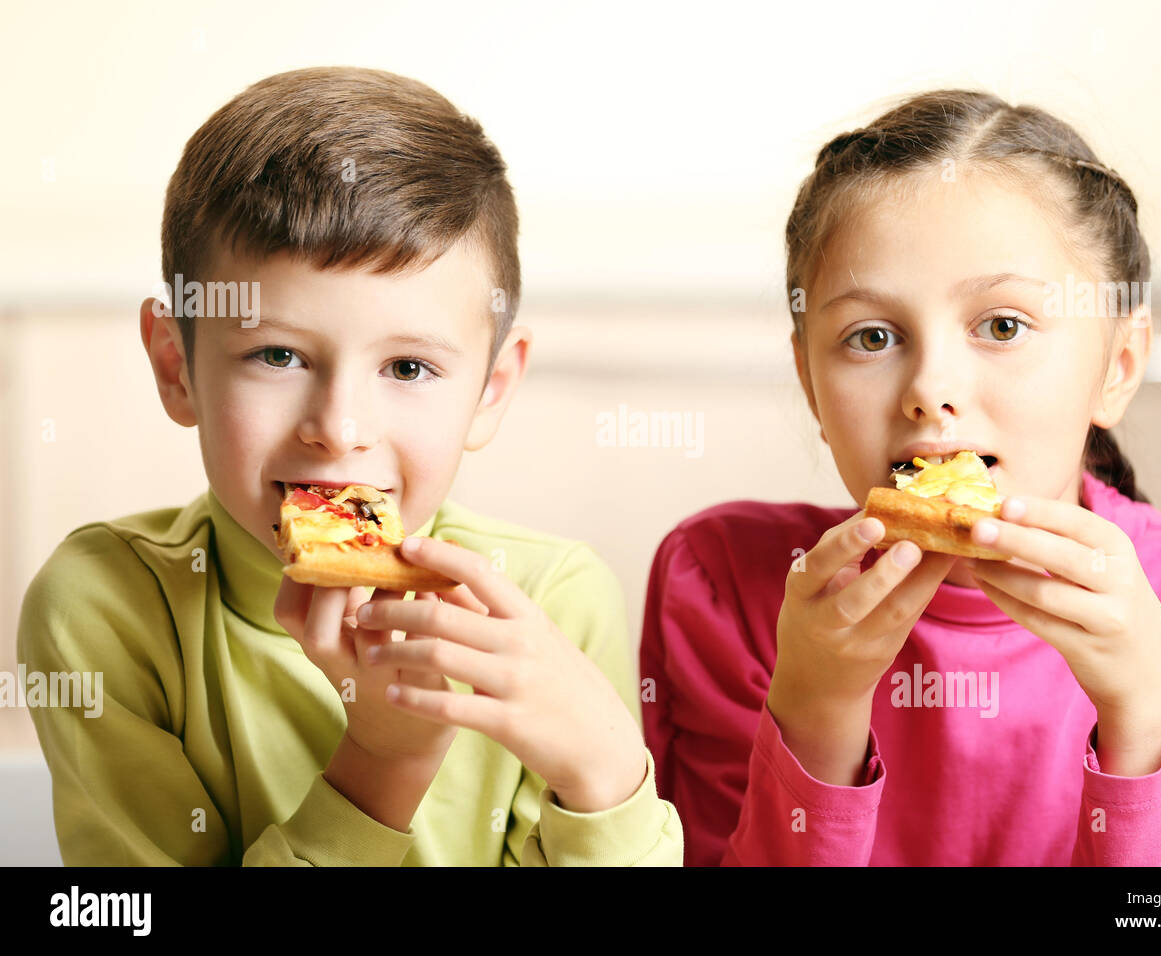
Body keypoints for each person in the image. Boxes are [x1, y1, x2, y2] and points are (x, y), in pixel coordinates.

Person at [18, 66, 682, 866]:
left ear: (491, 390)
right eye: (277, 355)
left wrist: (604, 773)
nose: (337, 430)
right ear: (176, 365)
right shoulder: (106, 609)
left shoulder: (551, 601)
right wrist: (388, 761)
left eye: (407, 369)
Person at [640, 89, 1161, 866]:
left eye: (1002, 325)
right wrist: (815, 711)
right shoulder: (723, 582)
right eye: (872, 336)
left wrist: (1145, 720)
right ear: (809, 381)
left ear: (1117, 366)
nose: (930, 388)